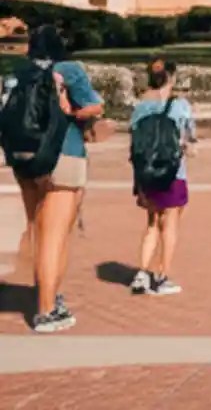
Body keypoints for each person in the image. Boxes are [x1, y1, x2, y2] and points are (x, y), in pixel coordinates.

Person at [1, 25, 104, 333]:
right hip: (63, 154)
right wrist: (74, 110)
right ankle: (46, 308)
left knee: (38, 229)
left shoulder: (16, 72)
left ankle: (46, 294)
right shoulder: (69, 70)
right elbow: (94, 107)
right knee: (55, 236)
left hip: (24, 158)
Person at [129, 58, 196, 296]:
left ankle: (142, 273)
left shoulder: (140, 108)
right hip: (172, 171)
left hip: (146, 172)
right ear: (171, 77)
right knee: (171, 223)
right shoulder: (180, 106)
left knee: (152, 223)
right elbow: (189, 140)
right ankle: (162, 275)